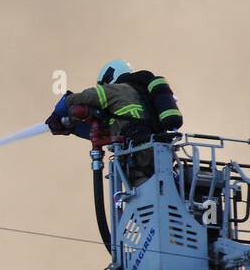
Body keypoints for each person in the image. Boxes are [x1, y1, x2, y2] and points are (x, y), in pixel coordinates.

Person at [46, 59, 183, 185]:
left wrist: (59, 111)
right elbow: (99, 131)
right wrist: (71, 128)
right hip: (160, 154)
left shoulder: (117, 89)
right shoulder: (141, 96)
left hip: (138, 153)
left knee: (145, 197)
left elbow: (83, 97)